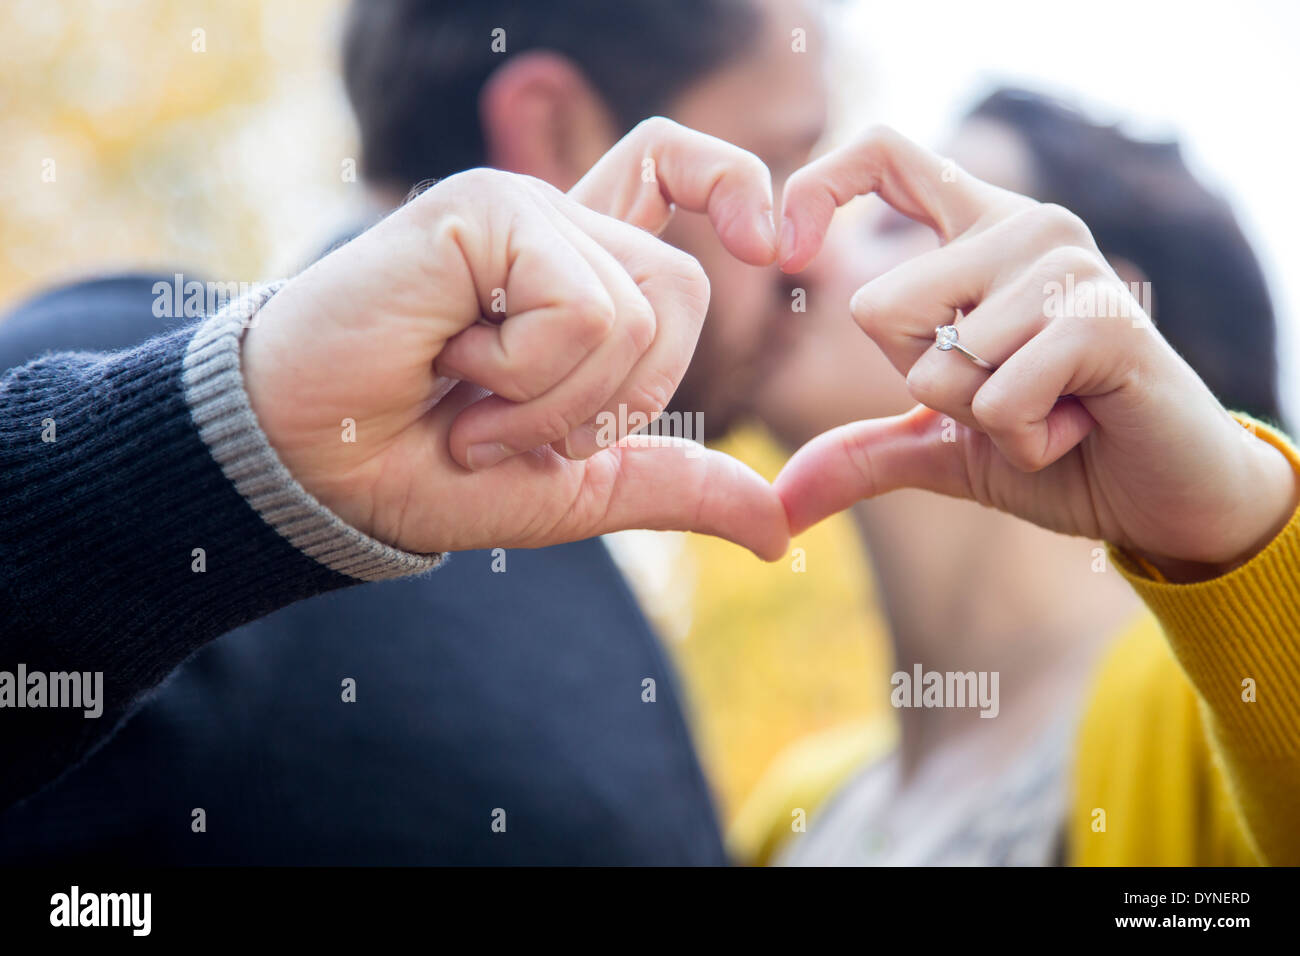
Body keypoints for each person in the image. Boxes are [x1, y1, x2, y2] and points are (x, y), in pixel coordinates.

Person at [0, 0, 832, 865]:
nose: (810, 260)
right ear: (554, 130)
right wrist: (220, 441)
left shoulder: (570, 543)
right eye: (770, 165)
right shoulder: (120, 354)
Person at [733, 93, 1300, 866]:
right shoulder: (796, 810)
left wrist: (1236, 532)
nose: (804, 256)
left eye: (896, 226)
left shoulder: (1210, 721)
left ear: (1081, 319)